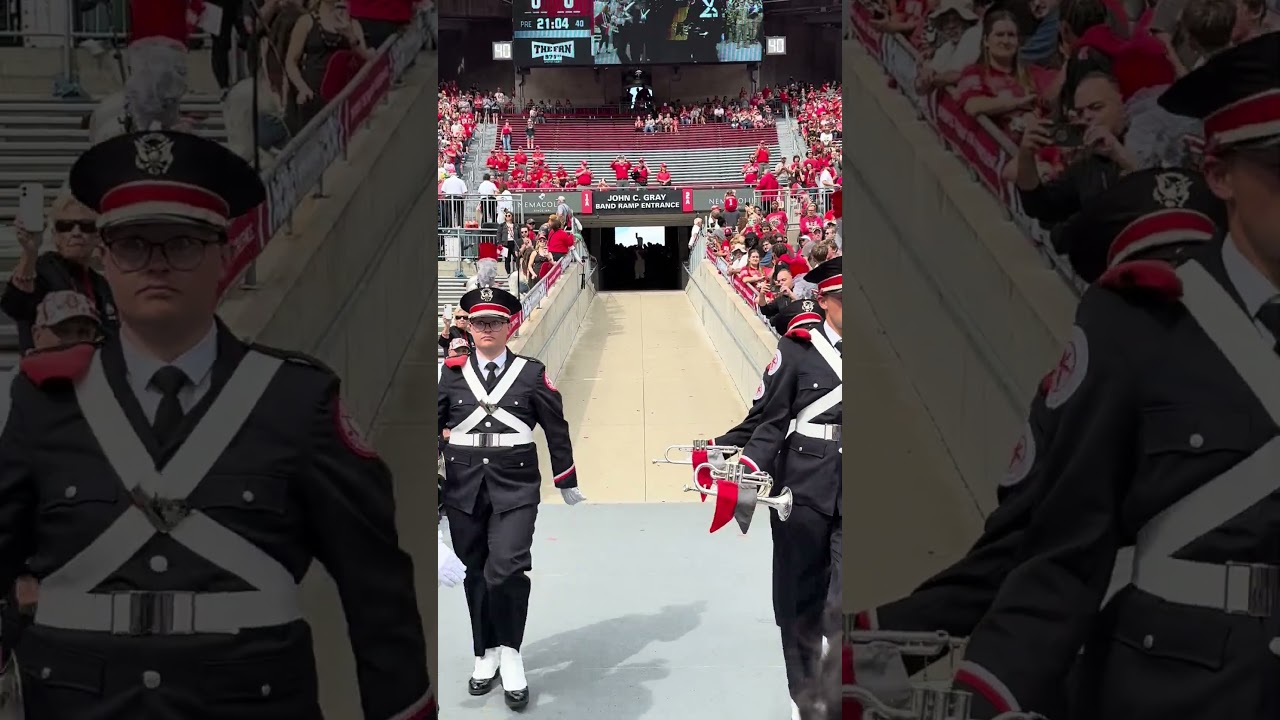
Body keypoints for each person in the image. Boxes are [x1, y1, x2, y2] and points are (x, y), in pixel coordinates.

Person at [0, 130, 434, 719]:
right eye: (132, 245)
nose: (155, 263)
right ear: (104, 259)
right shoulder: (44, 402)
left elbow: (376, 592)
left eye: (181, 243)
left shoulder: (297, 401)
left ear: (226, 254)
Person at [948, 32, 1280, 720]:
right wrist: (988, 695)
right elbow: (1065, 553)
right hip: (1177, 691)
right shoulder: (1138, 321)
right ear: (1220, 175)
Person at [844, 166, 1228, 718]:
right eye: (1168, 273)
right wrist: (878, 642)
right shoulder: (1107, 368)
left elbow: (1032, 545)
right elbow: (1027, 546)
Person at [438, 286, 586, 710]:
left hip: (516, 486)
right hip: (464, 488)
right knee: (476, 573)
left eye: (495, 322)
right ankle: (484, 653)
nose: (487, 329)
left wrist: (566, 476)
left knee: (507, 570)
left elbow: (555, 426)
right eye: (479, 322)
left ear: (510, 326)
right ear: (468, 325)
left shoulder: (531, 373)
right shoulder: (451, 374)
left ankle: (512, 652)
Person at [736, 259, 843, 720]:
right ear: (823, 301)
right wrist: (744, 463)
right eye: (845, 300)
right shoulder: (798, 347)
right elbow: (771, 419)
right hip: (802, 486)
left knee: (847, 599)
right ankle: (805, 694)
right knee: (800, 596)